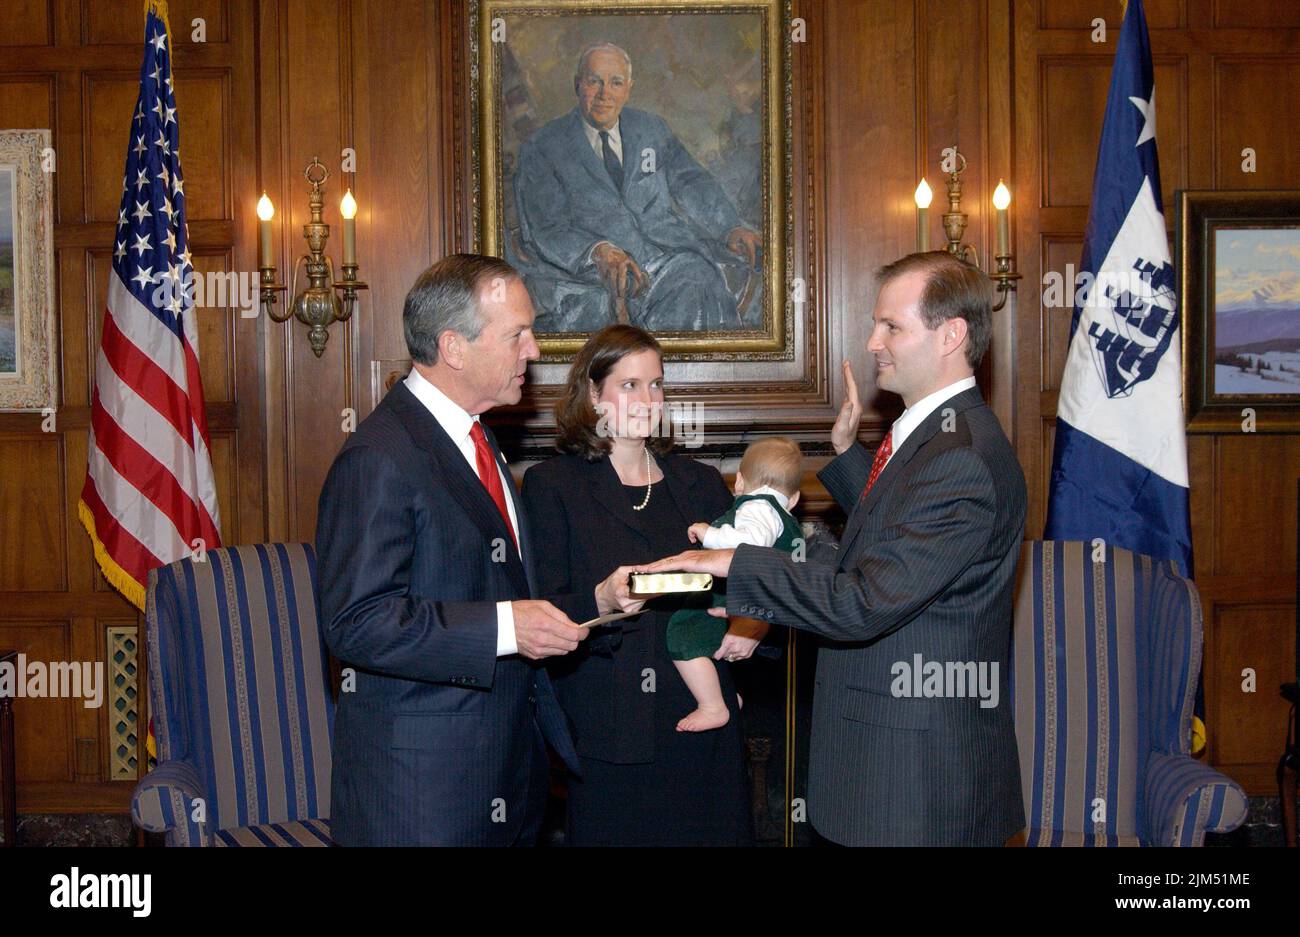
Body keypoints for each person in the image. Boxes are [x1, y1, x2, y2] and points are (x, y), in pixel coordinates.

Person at [643, 251, 1028, 846]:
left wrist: (739, 562)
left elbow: (864, 601)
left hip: (916, 788)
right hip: (888, 771)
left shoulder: (963, 459)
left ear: (951, 334)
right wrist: (848, 455)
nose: (873, 341)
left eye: (891, 326)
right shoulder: (935, 435)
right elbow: (888, 538)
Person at [314, 254, 586, 846]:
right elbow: (356, 623)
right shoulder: (379, 458)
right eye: (518, 334)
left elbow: (499, 585)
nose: (534, 351)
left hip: (504, 773)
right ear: (454, 347)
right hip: (423, 794)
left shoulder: (475, 432)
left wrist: (591, 599)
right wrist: (505, 629)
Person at [519, 324, 758, 845]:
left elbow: (751, 582)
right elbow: (541, 610)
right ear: (592, 395)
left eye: (656, 384)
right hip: (613, 733)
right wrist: (601, 598)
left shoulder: (697, 481)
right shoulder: (553, 485)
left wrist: (749, 622)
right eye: (629, 385)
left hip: (706, 724)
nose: (648, 398)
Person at [510, 42, 762, 333]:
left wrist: (729, 227)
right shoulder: (543, 147)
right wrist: (597, 251)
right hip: (595, 276)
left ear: (628, 88)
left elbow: (691, 182)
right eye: (595, 82)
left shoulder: (651, 130)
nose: (605, 94)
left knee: (701, 280)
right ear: (578, 84)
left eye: (615, 83)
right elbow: (547, 229)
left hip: (670, 257)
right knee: (690, 291)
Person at [670, 436, 804, 732]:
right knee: (704, 643)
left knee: (681, 635)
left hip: (730, 593)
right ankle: (726, 696)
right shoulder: (784, 517)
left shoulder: (757, 506)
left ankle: (713, 706)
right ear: (794, 498)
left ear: (739, 482)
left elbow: (749, 544)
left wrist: (709, 534)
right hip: (759, 597)